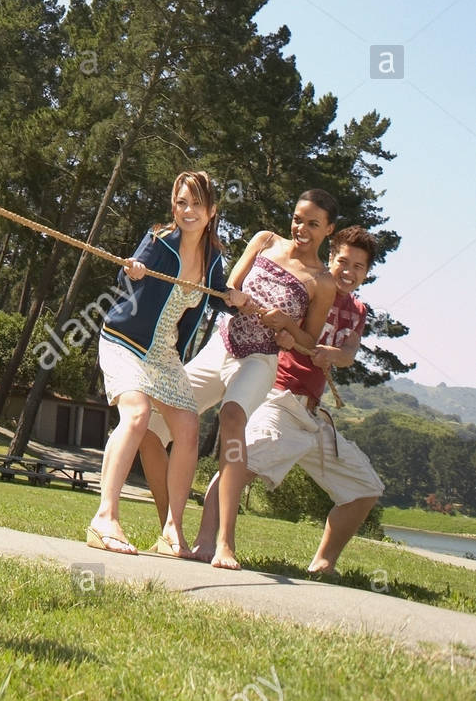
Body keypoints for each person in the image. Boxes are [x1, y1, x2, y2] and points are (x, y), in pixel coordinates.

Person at [140, 189, 339, 569]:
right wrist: (237, 299)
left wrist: (288, 328)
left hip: (259, 360)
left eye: (313, 224)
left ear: (328, 229)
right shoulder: (265, 240)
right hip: (222, 345)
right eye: (298, 219)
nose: (302, 228)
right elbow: (228, 285)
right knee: (150, 424)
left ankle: (224, 543)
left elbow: (309, 342)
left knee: (232, 419)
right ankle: (171, 529)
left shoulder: (322, 282)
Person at [198, 226, 384, 576]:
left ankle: (324, 563)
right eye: (343, 260)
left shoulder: (357, 310)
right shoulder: (309, 286)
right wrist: (286, 332)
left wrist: (332, 353)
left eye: (358, 266)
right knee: (239, 466)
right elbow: (272, 314)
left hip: (312, 415)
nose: (348, 270)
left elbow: (348, 354)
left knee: (365, 489)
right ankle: (206, 542)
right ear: (330, 256)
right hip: (279, 397)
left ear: (366, 273)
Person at [86, 171, 252, 558]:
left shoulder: (212, 257)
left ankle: (171, 532)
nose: (187, 210)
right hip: (125, 341)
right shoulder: (159, 241)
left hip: (164, 352)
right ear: (173, 207)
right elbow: (126, 278)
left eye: (196, 203)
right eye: (181, 203)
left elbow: (210, 296)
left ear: (211, 211)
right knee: (137, 414)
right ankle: (105, 517)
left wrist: (230, 297)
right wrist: (132, 271)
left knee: (188, 427)